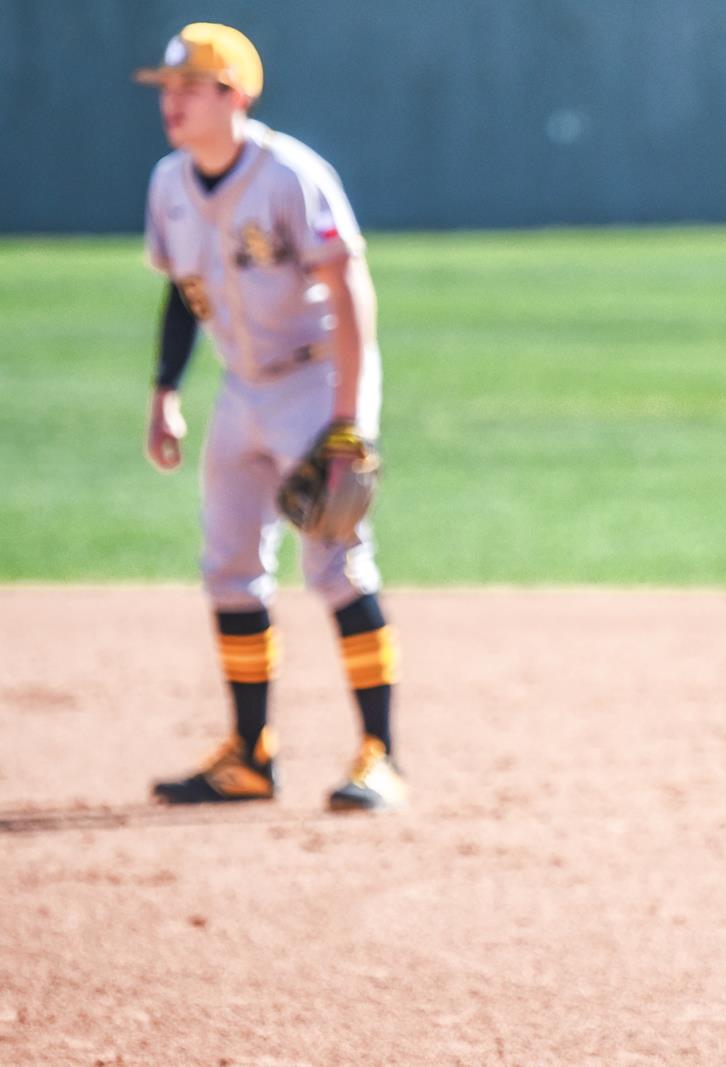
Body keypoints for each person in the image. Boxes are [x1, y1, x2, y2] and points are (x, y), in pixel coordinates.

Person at [135, 23, 406, 811]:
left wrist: (348, 421)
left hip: (316, 383)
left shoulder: (290, 174)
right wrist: (165, 391)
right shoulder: (169, 182)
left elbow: (349, 288)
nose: (172, 102)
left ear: (236, 97)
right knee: (229, 568)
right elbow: (182, 292)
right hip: (241, 389)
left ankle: (380, 755)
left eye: (190, 88)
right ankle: (251, 756)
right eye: (167, 88)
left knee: (337, 562)